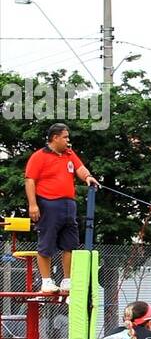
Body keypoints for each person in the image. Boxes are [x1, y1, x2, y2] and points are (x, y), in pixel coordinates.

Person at [24, 123, 101, 294]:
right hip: (48, 203)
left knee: (70, 244)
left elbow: (80, 168)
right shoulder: (39, 156)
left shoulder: (69, 154)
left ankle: (67, 280)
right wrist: (33, 204)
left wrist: (88, 177)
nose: (68, 140)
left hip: (69, 204)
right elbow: (30, 180)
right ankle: (46, 281)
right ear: (55, 138)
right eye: (65, 137)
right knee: (47, 242)